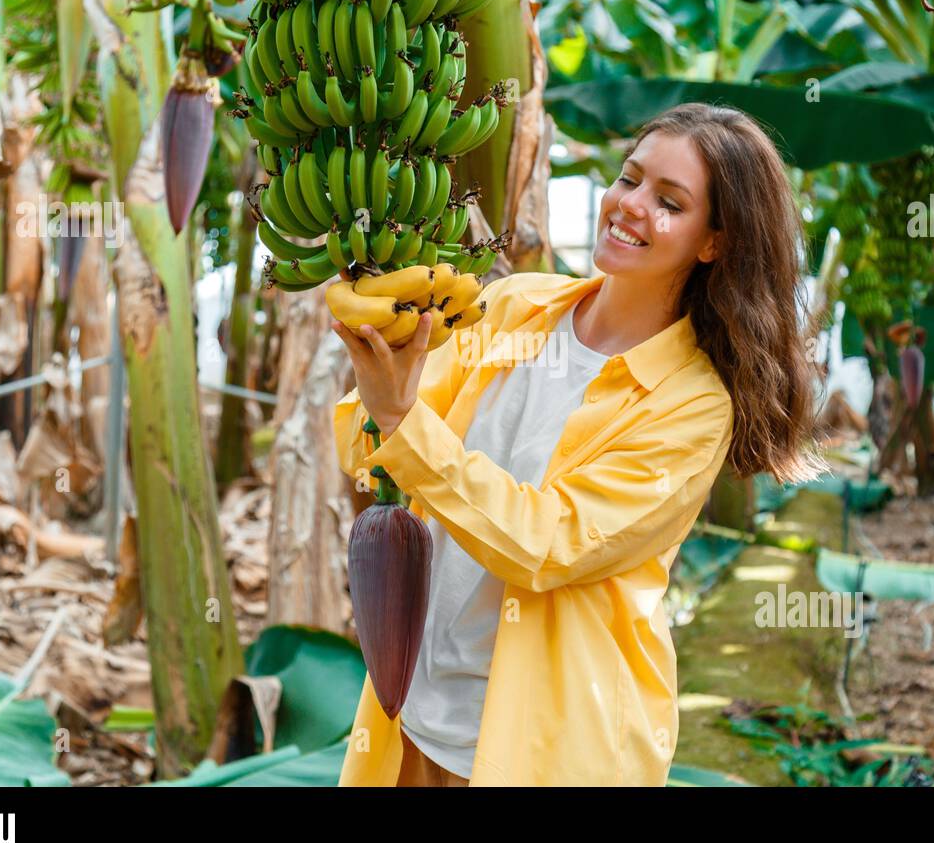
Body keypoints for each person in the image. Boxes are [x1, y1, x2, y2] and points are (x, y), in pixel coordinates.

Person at [330, 102, 820, 786]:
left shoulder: (692, 407)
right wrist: (375, 375)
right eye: (629, 179)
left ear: (715, 243)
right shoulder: (515, 307)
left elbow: (548, 544)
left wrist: (401, 422)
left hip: (545, 745)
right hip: (410, 711)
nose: (631, 206)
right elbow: (367, 446)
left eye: (669, 203)